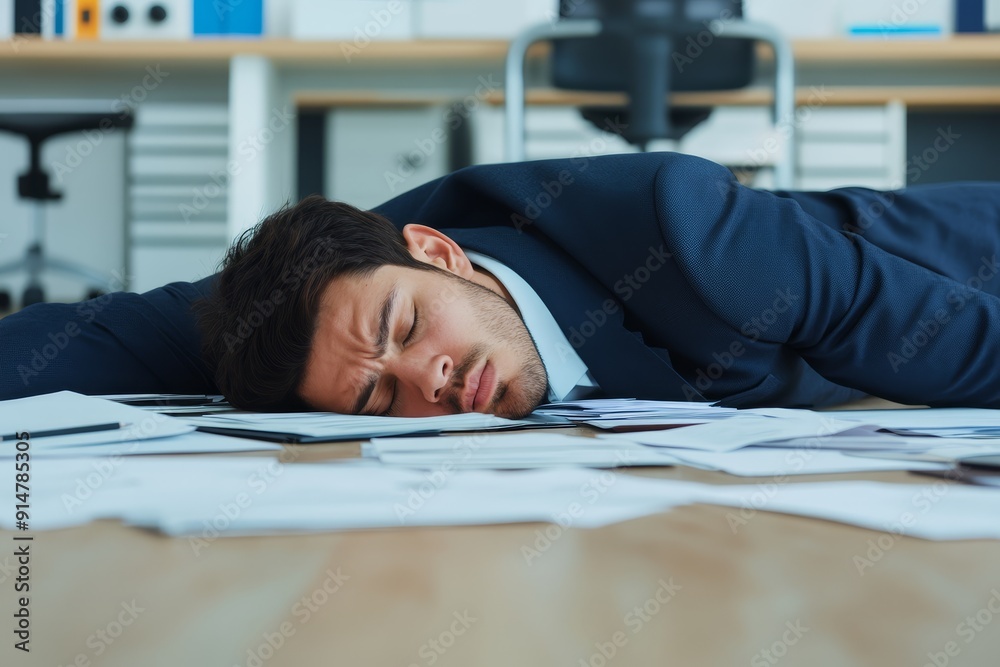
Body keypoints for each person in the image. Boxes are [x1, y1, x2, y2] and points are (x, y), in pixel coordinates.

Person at [2, 152, 999, 418]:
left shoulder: (687, 241)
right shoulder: (327, 317)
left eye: (408, 330)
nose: (426, 380)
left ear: (436, 251)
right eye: (375, 399)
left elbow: (945, 338)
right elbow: (122, 335)